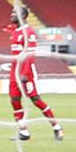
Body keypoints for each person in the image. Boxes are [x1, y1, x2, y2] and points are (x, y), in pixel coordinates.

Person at [8, 7, 63, 141]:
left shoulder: (29, 32)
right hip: (14, 72)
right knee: (14, 100)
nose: (12, 14)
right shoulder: (15, 32)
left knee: (35, 100)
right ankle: (23, 132)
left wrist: (25, 74)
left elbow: (30, 54)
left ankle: (57, 127)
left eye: (15, 13)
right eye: (12, 12)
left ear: (24, 16)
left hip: (26, 72)